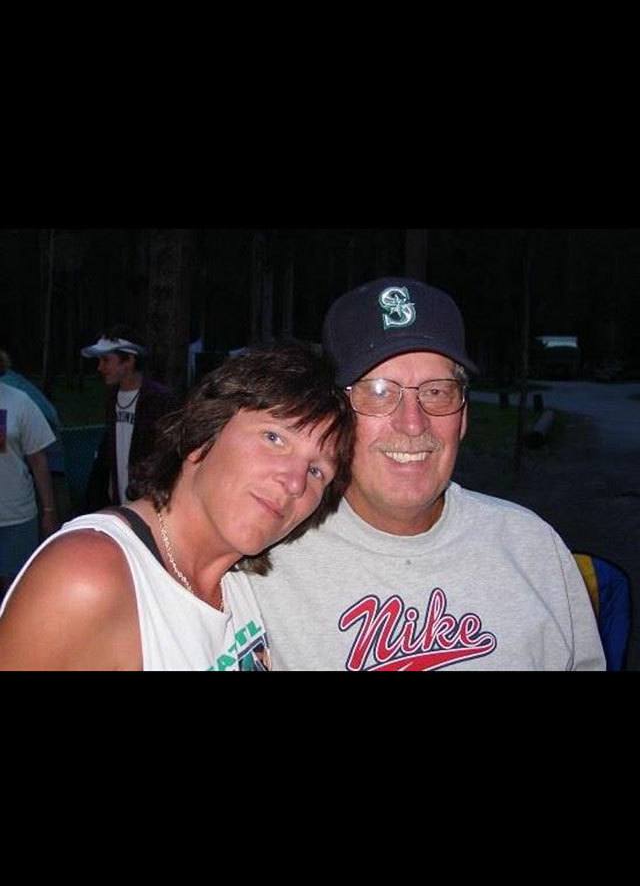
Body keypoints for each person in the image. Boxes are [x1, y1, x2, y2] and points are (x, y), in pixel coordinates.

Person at [245, 278, 606, 671]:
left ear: (463, 416)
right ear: (333, 415)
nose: (413, 424)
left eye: (436, 391)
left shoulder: (533, 550)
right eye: (379, 392)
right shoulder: (264, 564)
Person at [0, 344, 354, 671]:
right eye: (274, 438)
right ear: (204, 434)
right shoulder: (90, 578)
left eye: (316, 471)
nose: (294, 483)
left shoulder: (238, 581)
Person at [81, 324, 180, 510]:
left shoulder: (160, 400)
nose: (100, 367)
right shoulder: (112, 398)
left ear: (129, 361)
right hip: (122, 503)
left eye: (106, 360)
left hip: (152, 503)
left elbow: (168, 455)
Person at [0, 354, 59, 597]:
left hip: (16, 517)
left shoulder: (19, 401)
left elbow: (38, 459)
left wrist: (49, 510)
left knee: (15, 592)